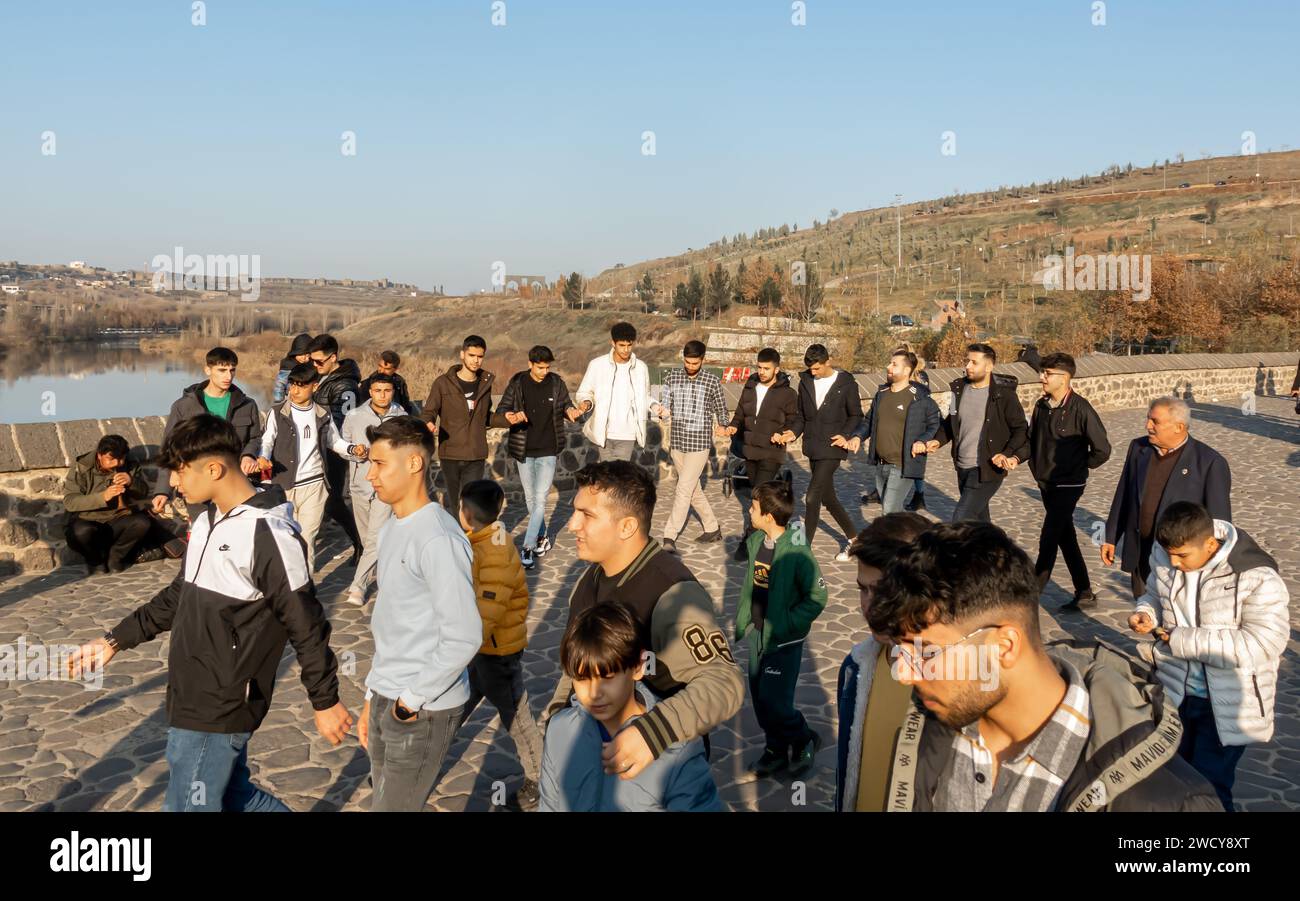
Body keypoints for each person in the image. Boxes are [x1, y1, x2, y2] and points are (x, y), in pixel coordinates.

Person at [66, 415, 352, 812]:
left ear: (214, 468)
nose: (176, 484)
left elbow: (305, 621)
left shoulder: (268, 532)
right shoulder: (206, 521)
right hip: (191, 688)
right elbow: (180, 595)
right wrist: (115, 640)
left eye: (180, 473)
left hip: (221, 700)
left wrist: (325, 700)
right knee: (235, 797)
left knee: (188, 806)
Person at [863, 521, 1223, 811]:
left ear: (1004, 645)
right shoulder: (929, 729)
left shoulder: (1171, 803)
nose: (905, 674)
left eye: (925, 654)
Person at [542, 461, 745, 780]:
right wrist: (558, 718)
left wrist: (653, 733)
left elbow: (724, 682)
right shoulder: (589, 580)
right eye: (575, 512)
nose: (572, 525)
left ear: (626, 527)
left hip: (659, 767)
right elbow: (578, 666)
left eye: (587, 515)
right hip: (596, 755)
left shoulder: (672, 593)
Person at [357, 416, 482, 812]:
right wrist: (371, 696)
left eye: (379, 464)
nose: (369, 475)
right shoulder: (394, 525)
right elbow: (392, 621)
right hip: (385, 694)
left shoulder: (439, 539)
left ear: (414, 464)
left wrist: (408, 701)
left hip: (421, 709)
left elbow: (463, 636)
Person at [1130, 501, 1289, 811]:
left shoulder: (1256, 576)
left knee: (1208, 790)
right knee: (1171, 782)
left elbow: (1264, 642)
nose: (1173, 563)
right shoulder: (1164, 554)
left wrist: (1181, 640)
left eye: (1182, 556)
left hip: (1226, 705)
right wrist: (1145, 612)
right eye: (1169, 555)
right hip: (1176, 693)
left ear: (1210, 544)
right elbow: (1152, 594)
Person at [539, 603, 722, 811]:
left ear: (638, 666)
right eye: (581, 679)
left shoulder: (678, 749)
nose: (594, 693)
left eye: (607, 677)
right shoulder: (559, 729)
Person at [456, 479, 545, 811]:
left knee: (517, 718)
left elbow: (489, 608)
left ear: (465, 512)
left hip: (497, 652)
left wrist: (462, 643)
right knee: (450, 709)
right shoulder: (479, 541)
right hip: (480, 650)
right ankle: (413, 765)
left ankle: (539, 780)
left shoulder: (493, 548)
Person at [835, 511, 931, 812]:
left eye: (884, 591)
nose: (869, 606)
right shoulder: (855, 669)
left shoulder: (961, 681)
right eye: (863, 589)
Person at [735, 480, 828, 779]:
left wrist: (788, 624)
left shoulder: (798, 551)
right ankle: (775, 749)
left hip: (784, 640)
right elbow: (753, 585)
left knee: (777, 702)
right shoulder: (756, 542)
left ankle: (803, 739)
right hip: (758, 635)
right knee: (760, 698)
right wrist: (744, 619)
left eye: (754, 507)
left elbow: (817, 597)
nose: (749, 510)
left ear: (769, 516)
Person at [1101, 396, 1231, 599]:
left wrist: (1211, 567)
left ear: (1179, 427)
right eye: (1148, 419)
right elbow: (1124, 494)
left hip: (1177, 559)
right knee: (1146, 611)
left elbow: (1220, 523)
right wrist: (1111, 536)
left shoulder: (1209, 463)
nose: (1148, 426)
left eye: (1155, 421)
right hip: (1141, 552)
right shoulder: (1138, 448)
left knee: (1172, 619)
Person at [255, 363, 365, 575]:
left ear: (314, 387)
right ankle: (284, 582)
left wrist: (353, 449)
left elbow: (335, 442)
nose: (294, 391)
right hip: (284, 484)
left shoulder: (322, 413)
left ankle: (304, 586)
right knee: (285, 536)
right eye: (292, 385)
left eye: (301, 386)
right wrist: (263, 459)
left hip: (314, 485)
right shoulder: (277, 413)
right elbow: (267, 441)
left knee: (307, 537)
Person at [1027, 352, 1111, 610]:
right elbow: (1032, 441)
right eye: (1042, 372)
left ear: (1064, 378)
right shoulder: (1041, 406)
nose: (1042, 377)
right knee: (1065, 535)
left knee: (1049, 536)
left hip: (1069, 484)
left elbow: (1102, 449)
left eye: (1047, 373)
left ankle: (1029, 596)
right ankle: (1084, 591)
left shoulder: (1081, 408)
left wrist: (1079, 466)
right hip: (1046, 481)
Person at [490, 344, 583, 569]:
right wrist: (511, 416)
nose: (544, 371)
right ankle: (543, 536)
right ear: (530, 364)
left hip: (549, 450)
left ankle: (528, 547)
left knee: (540, 499)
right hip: (523, 450)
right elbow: (502, 409)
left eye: (547, 367)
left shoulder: (556, 383)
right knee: (531, 500)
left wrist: (572, 412)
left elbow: (566, 407)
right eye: (540, 367)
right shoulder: (518, 382)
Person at [916, 343, 1029, 524]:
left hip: (987, 469)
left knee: (960, 520)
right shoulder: (958, 390)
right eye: (967, 361)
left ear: (989, 366)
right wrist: (937, 440)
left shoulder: (1004, 395)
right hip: (962, 466)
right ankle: (994, 549)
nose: (967, 366)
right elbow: (949, 422)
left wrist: (1008, 454)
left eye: (974, 362)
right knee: (980, 522)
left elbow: (1020, 429)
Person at [151, 347, 262, 516]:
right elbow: (169, 448)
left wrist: (249, 455)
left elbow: (254, 437)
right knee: (202, 532)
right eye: (222, 370)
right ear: (207, 370)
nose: (228, 376)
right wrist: (162, 490)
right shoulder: (184, 406)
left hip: (233, 483)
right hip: (198, 483)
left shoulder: (247, 404)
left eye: (232, 370)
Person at [778, 343, 864, 561]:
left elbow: (856, 415)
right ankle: (855, 540)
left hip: (834, 447)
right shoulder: (805, 382)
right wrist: (792, 433)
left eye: (817, 368)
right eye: (810, 369)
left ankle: (803, 549)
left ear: (828, 362)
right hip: (813, 447)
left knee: (812, 497)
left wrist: (845, 434)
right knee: (829, 498)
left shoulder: (846, 384)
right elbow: (801, 417)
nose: (813, 373)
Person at [722, 347, 799, 561]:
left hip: (771, 452)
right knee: (760, 496)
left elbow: (794, 421)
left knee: (758, 497)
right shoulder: (750, 387)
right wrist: (732, 427)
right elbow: (738, 415)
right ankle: (775, 530)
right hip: (750, 450)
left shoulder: (788, 394)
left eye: (766, 368)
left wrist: (784, 434)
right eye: (759, 367)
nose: (762, 371)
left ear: (777, 369)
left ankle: (748, 542)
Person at [339, 370, 406, 605]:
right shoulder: (354, 416)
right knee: (369, 537)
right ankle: (390, 575)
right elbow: (342, 445)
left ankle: (358, 586)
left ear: (393, 392)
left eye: (387, 391)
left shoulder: (401, 417)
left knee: (376, 537)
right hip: (361, 482)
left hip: (387, 484)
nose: (382, 395)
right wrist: (355, 452)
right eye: (378, 390)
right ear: (370, 392)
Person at [657, 340, 729, 553]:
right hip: (678, 442)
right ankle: (712, 527)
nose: (690, 366)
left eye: (695, 363)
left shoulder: (712, 381)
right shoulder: (671, 377)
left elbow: (722, 409)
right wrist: (663, 411)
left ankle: (669, 536)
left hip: (699, 443)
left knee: (683, 488)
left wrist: (723, 425)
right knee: (692, 489)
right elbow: (665, 405)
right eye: (687, 362)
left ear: (703, 360)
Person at [852, 348, 940, 514]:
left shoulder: (919, 398)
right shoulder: (881, 394)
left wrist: (922, 440)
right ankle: (911, 536)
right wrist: (858, 436)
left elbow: (935, 424)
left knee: (889, 512)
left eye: (894, 364)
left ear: (906, 370)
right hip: (881, 464)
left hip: (903, 465)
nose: (888, 367)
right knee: (895, 513)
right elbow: (869, 421)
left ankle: (890, 540)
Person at [421, 334, 496, 521]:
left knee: (471, 501)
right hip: (451, 453)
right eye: (472, 355)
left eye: (480, 356)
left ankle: (469, 541)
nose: (476, 360)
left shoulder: (486, 383)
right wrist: (428, 422)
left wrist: (508, 419)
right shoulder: (443, 383)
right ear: (462, 355)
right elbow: (429, 411)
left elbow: (486, 417)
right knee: (454, 502)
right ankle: (459, 540)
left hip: (475, 453)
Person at [307, 334, 364, 563]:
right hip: (320, 448)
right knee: (328, 500)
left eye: (319, 361)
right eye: (312, 361)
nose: (314, 365)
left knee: (332, 500)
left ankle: (360, 543)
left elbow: (343, 421)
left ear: (333, 357)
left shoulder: (345, 384)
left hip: (333, 452)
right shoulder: (326, 377)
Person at [62, 434, 155, 573]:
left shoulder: (129, 465)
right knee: (81, 532)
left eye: (121, 459)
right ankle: (95, 560)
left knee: (142, 523)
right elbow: (70, 501)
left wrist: (131, 482)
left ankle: (116, 556)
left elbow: (143, 493)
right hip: (87, 521)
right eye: (111, 459)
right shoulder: (81, 467)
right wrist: (103, 497)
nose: (117, 463)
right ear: (99, 455)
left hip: (117, 519)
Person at [573, 322, 657, 462]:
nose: (626, 350)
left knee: (618, 476)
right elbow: (584, 392)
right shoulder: (597, 365)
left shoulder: (641, 368)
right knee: (609, 476)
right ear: (613, 343)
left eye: (629, 345)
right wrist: (586, 402)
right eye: (622, 345)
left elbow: (645, 397)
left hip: (628, 433)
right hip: (603, 432)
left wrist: (655, 405)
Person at [359, 349, 413, 414]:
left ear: (395, 369)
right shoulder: (367, 384)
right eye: (380, 366)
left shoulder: (400, 383)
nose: (382, 371)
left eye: (387, 369)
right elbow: (361, 407)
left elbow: (405, 406)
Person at [273, 333, 313, 404]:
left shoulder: (310, 366)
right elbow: (280, 384)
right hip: (290, 399)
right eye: (301, 354)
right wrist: (279, 401)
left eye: (308, 356)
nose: (305, 358)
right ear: (295, 353)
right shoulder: (288, 365)